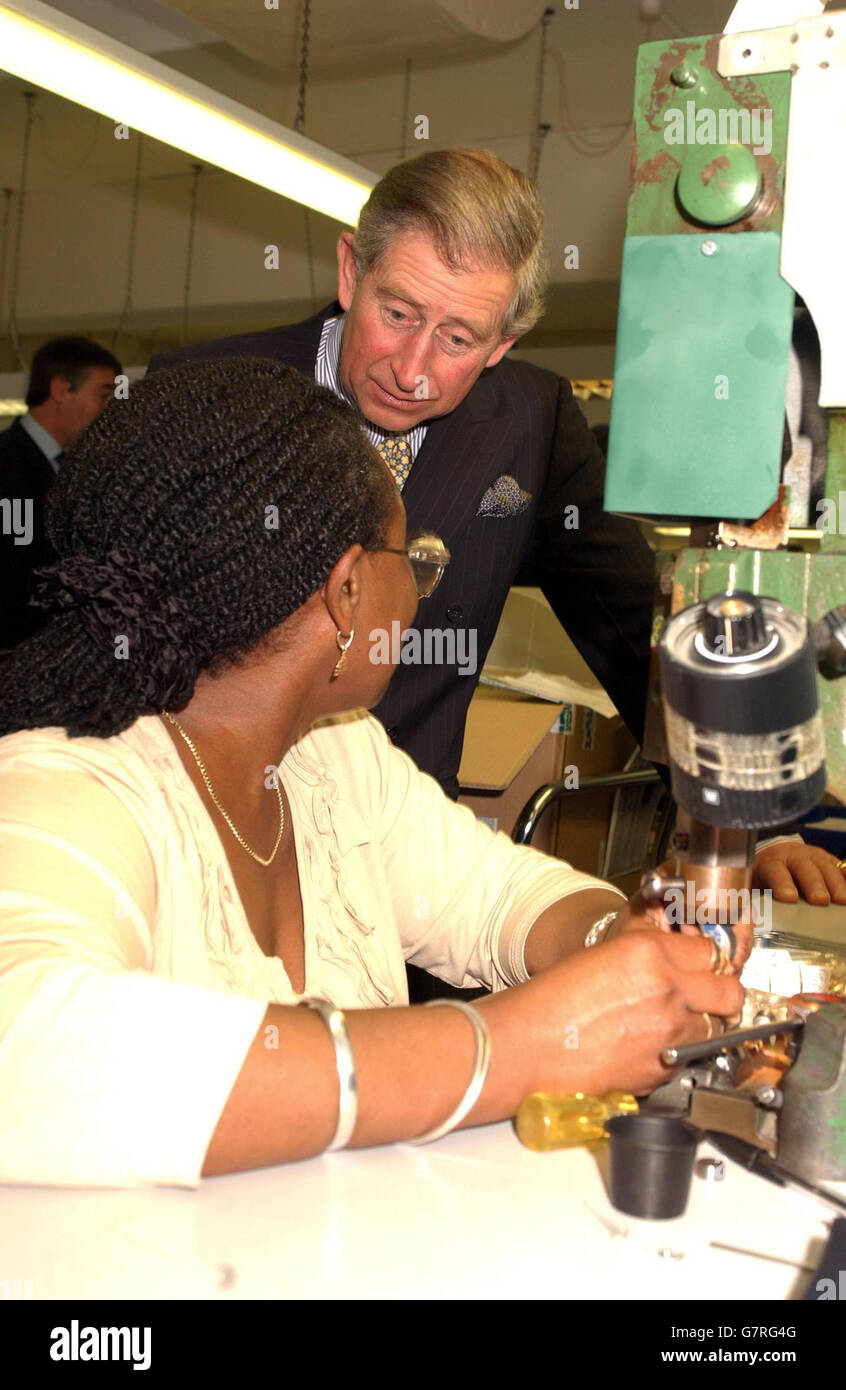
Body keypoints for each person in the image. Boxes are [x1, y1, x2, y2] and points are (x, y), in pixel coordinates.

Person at [0, 357, 748, 1189]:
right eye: (413, 562)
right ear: (346, 592)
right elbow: (24, 1053)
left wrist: (622, 946)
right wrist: (510, 1048)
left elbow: (492, 895)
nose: (421, 596)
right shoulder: (63, 780)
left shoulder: (332, 754)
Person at [147, 149, 845, 911]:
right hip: (192, 843)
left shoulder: (531, 424)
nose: (412, 370)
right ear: (352, 272)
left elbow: (632, 631)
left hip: (398, 872)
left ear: (503, 344)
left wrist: (755, 816)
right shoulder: (200, 393)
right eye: (398, 313)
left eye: (457, 340)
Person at [0, 336, 121, 649]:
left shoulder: (77, 467)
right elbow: (17, 558)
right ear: (61, 389)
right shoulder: (8, 464)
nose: (109, 410)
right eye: (103, 395)